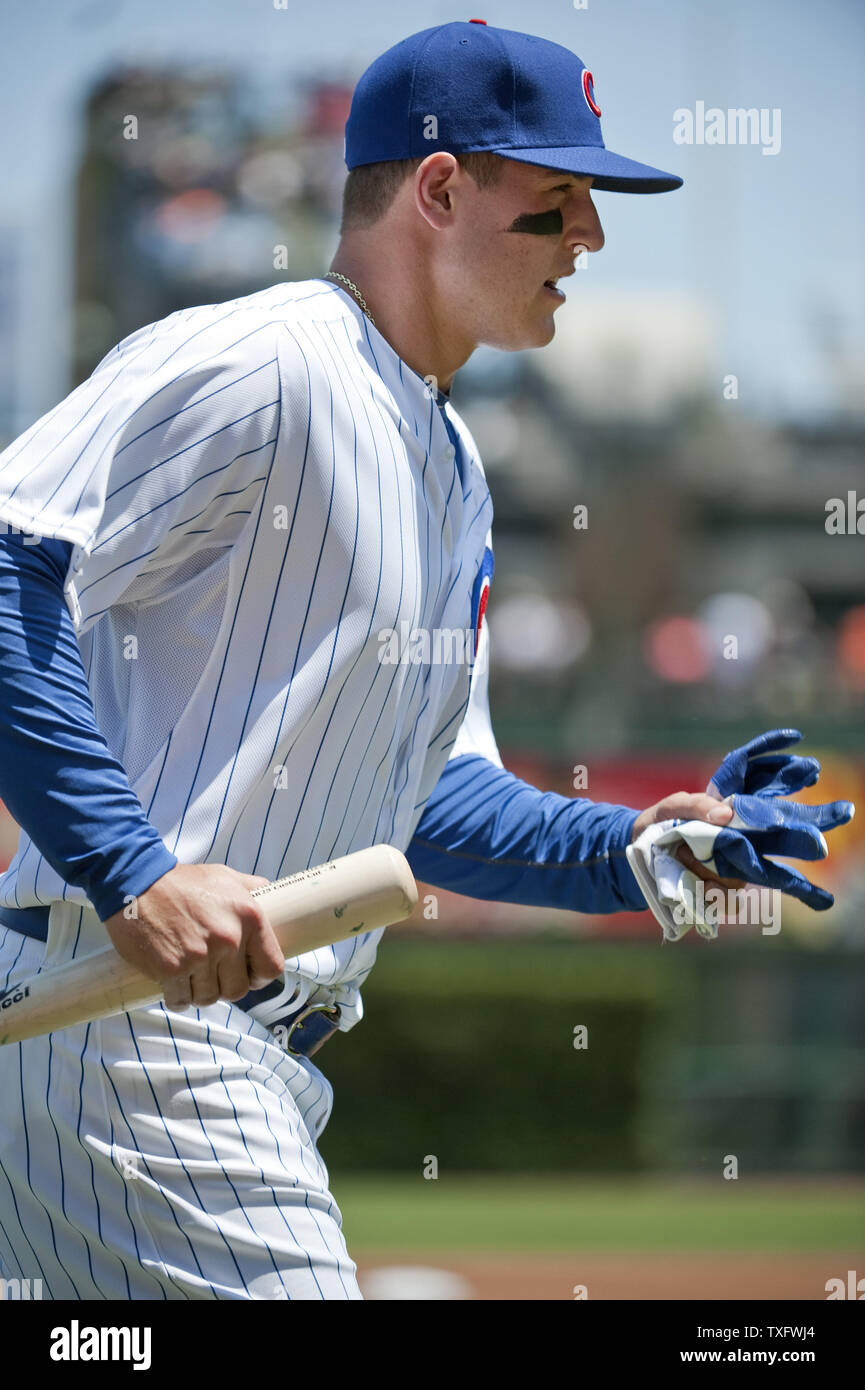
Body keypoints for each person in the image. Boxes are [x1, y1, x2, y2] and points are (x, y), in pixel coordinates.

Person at [0, 20, 849, 1301]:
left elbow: (422, 804)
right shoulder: (264, 359)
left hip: (223, 1046)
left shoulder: (452, 469)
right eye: (556, 203)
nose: (591, 241)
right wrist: (135, 872)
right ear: (440, 188)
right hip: (128, 1030)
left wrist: (629, 846)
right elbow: (10, 562)